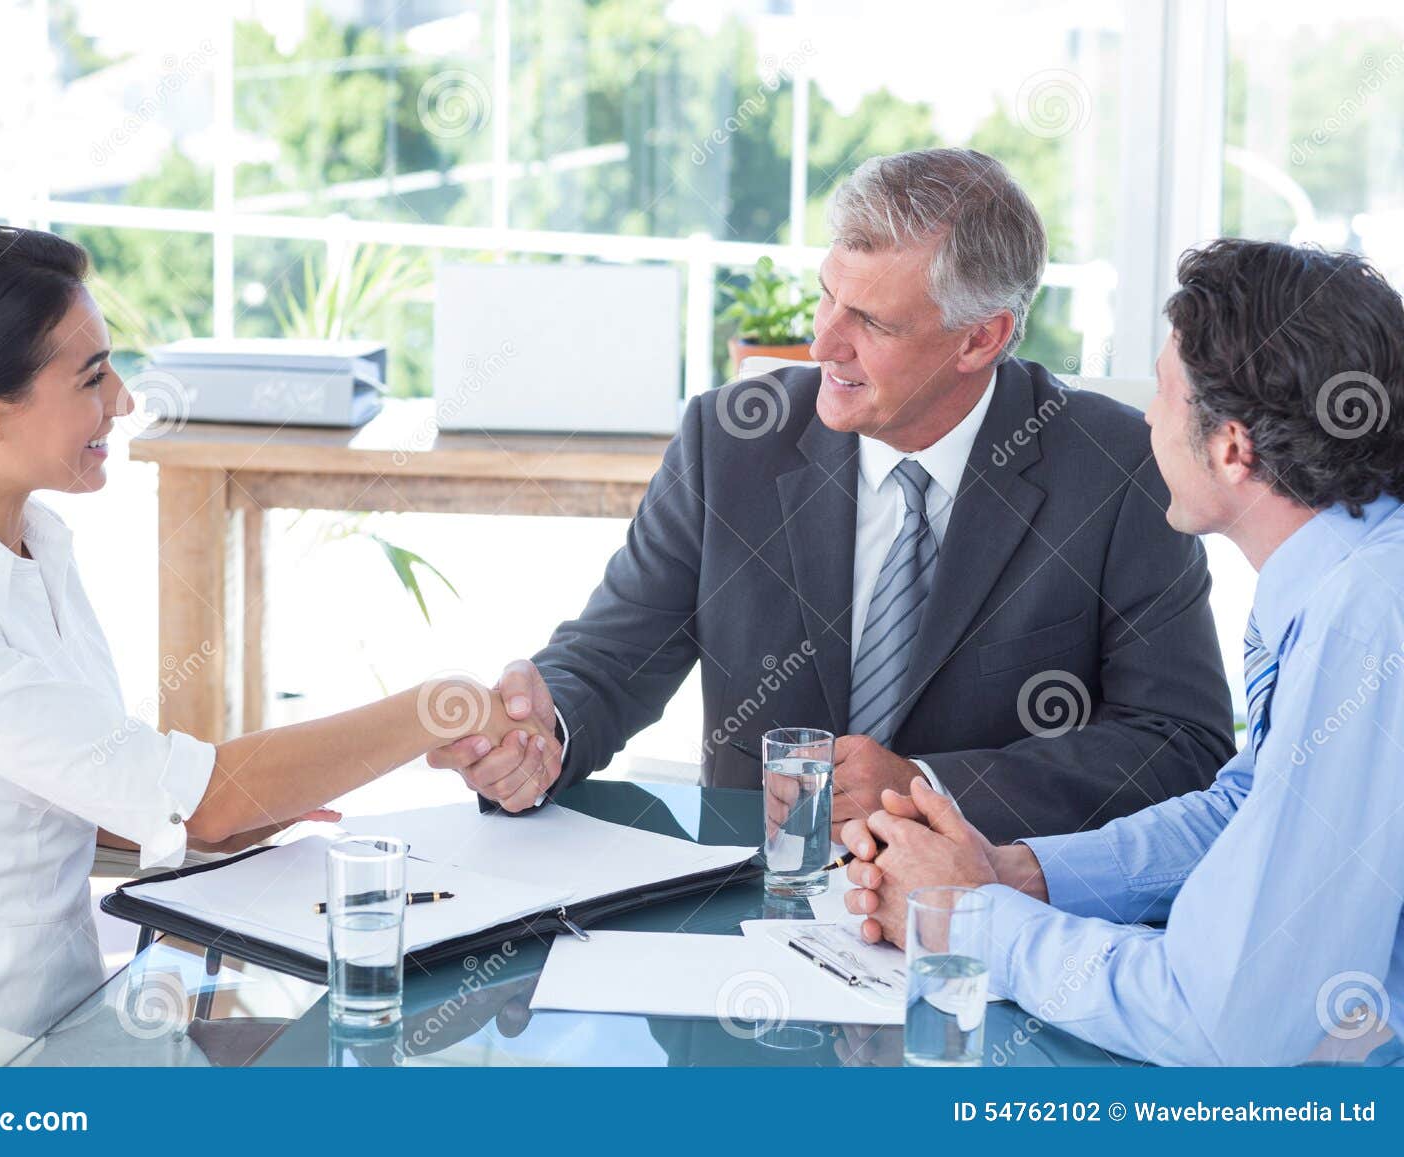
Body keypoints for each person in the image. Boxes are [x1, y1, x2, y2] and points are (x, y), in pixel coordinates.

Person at [0, 224, 540, 1046]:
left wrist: (249, 815)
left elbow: (71, 795)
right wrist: (443, 707)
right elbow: (204, 794)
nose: (121, 400)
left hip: (71, 1025)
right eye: (91, 378)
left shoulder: (35, 543)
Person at [431, 148, 1235, 843]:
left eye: (872, 323)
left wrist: (927, 784)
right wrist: (543, 731)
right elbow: (610, 661)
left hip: (984, 915)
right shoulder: (730, 442)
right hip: (751, 913)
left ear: (981, 337)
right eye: (826, 296)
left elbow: (1180, 741)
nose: (823, 344)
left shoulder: (1119, 466)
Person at [841, 237, 1404, 1065]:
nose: (1147, 417)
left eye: (1167, 393)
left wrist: (970, 915)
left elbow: (1224, 1022)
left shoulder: (1366, 625)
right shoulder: (1342, 570)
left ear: (1232, 448)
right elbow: (1243, 811)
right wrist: (1013, 872)